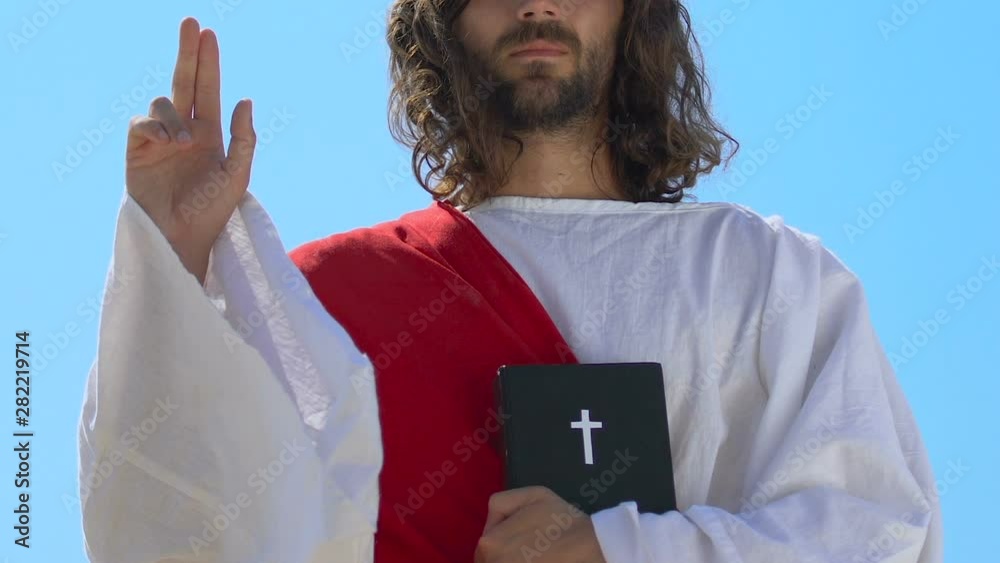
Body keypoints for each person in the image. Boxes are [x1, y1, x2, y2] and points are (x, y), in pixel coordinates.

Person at [78, 1, 943, 562]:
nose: (536, 4)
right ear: (440, 22)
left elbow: (880, 533)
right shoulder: (328, 297)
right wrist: (175, 265)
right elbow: (185, 524)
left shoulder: (770, 277)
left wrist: (615, 550)